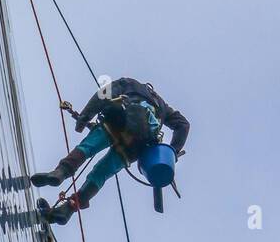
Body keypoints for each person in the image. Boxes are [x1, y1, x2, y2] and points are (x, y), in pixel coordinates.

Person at [32, 77, 190, 225]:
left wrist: (84, 118)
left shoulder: (130, 83)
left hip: (116, 123)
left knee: (87, 148)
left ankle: (59, 173)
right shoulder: (162, 107)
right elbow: (183, 125)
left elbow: (103, 94)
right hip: (135, 145)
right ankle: (68, 209)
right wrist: (172, 153)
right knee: (101, 173)